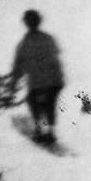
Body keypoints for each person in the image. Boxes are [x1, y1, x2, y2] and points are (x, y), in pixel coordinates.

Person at [10, 9, 65, 144]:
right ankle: (51, 132)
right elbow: (57, 54)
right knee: (50, 105)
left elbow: (18, 66)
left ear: (26, 24)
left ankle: (39, 131)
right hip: (55, 80)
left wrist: (14, 81)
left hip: (37, 82)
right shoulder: (49, 38)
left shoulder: (24, 43)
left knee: (33, 103)